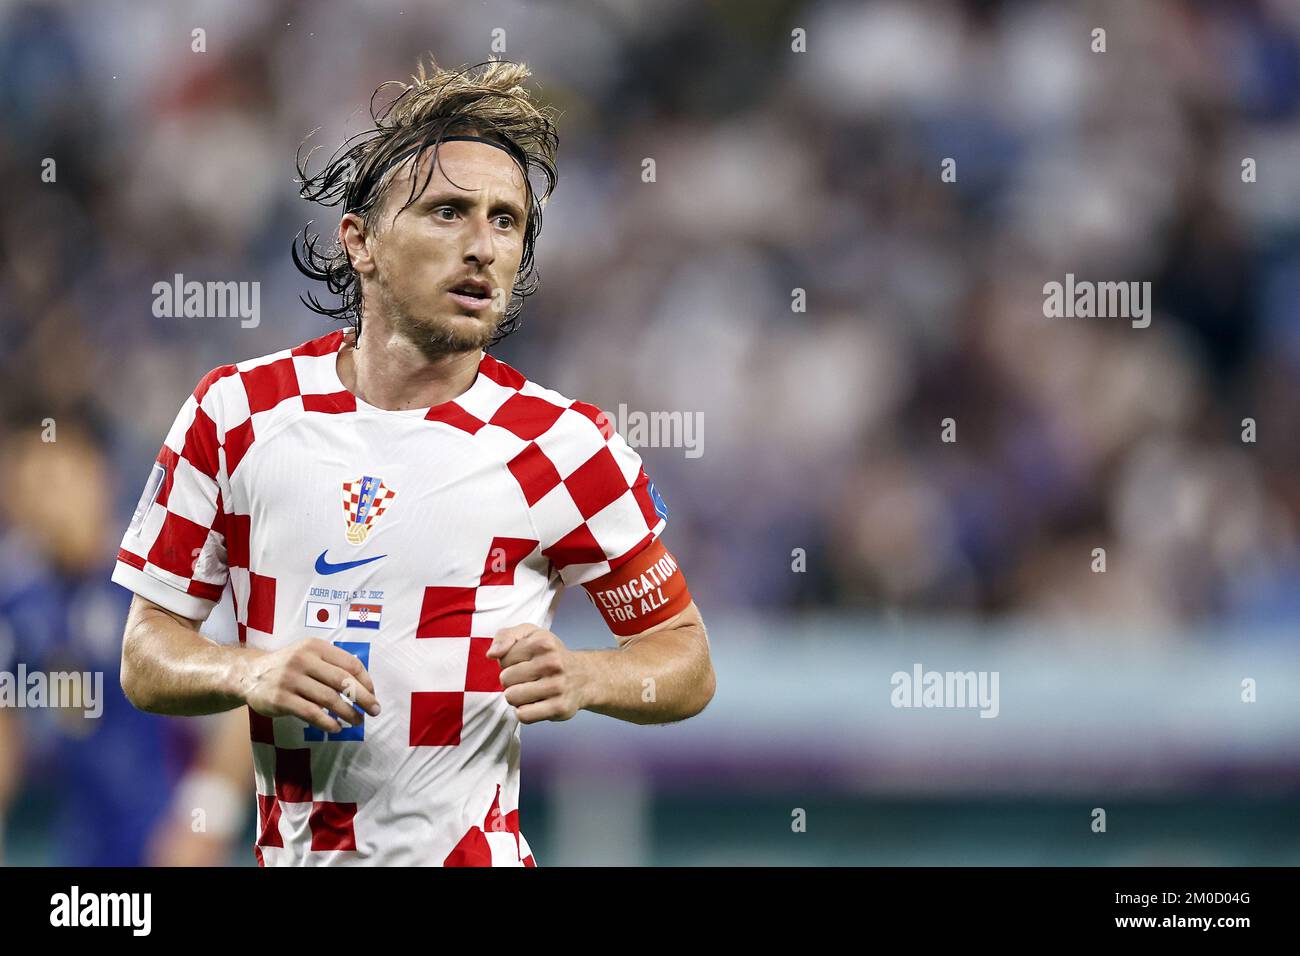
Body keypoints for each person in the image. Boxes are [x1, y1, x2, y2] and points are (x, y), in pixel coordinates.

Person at [111, 57, 715, 866]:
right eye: (448, 212)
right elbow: (147, 655)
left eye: (507, 221)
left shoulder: (564, 445)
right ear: (359, 240)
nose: (483, 246)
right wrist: (250, 673)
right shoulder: (237, 414)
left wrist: (589, 676)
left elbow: (685, 660)